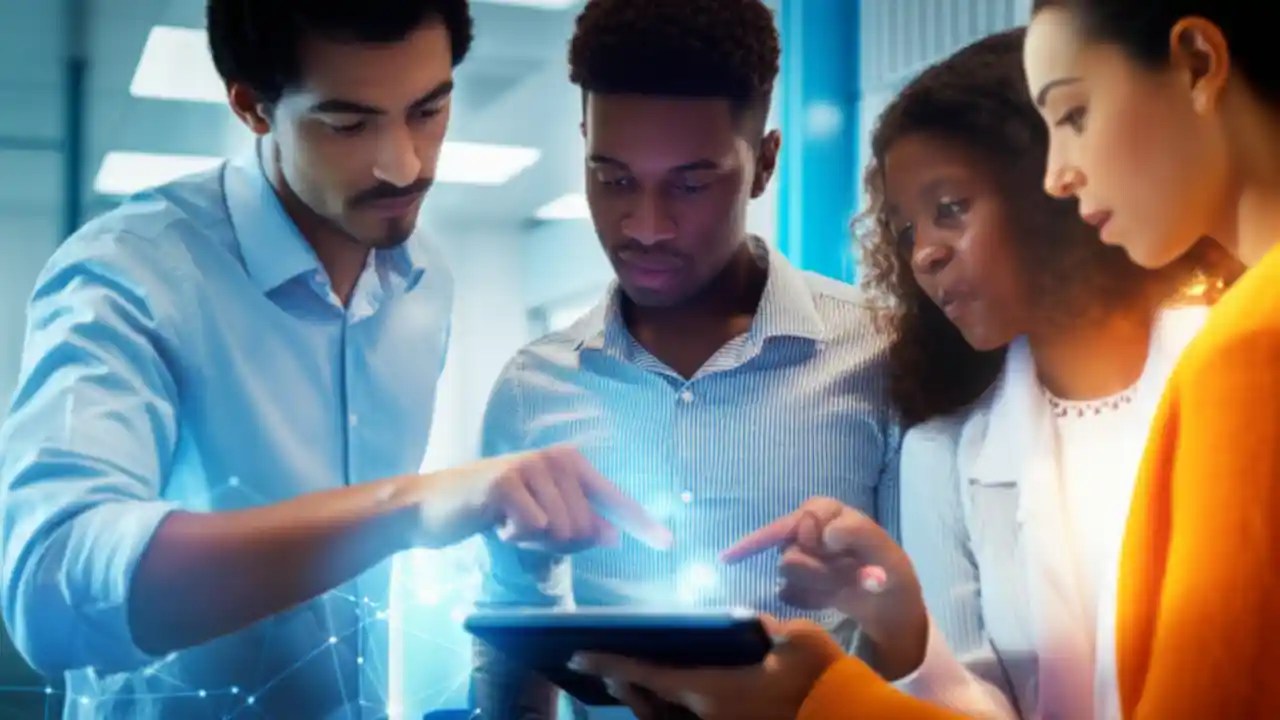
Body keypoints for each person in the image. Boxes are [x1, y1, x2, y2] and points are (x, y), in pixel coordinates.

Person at [0, 3, 669, 719]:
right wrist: (408, 508)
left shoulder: (424, 282)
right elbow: (48, 592)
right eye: (347, 124)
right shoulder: (129, 271)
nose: (404, 165)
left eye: (428, 110)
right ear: (252, 106)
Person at [571, 26, 1236, 720]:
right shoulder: (944, 448)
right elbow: (977, 705)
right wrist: (900, 622)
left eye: (951, 209)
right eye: (907, 229)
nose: (924, 255)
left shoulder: (1233, 363)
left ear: (1055, 182)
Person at [470, 0, 900, 717]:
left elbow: (929, 635)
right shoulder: (529, 391)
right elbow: (507, 641)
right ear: (584, 146)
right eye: (614, 179)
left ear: (764, 164)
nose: (646, 226)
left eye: (691, 184)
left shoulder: (881, 357)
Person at [1023, 1, 1280, 717]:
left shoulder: (1252, 347)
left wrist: (826, 696)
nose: (1055, 176)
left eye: (1074, 115)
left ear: (1197, 64)